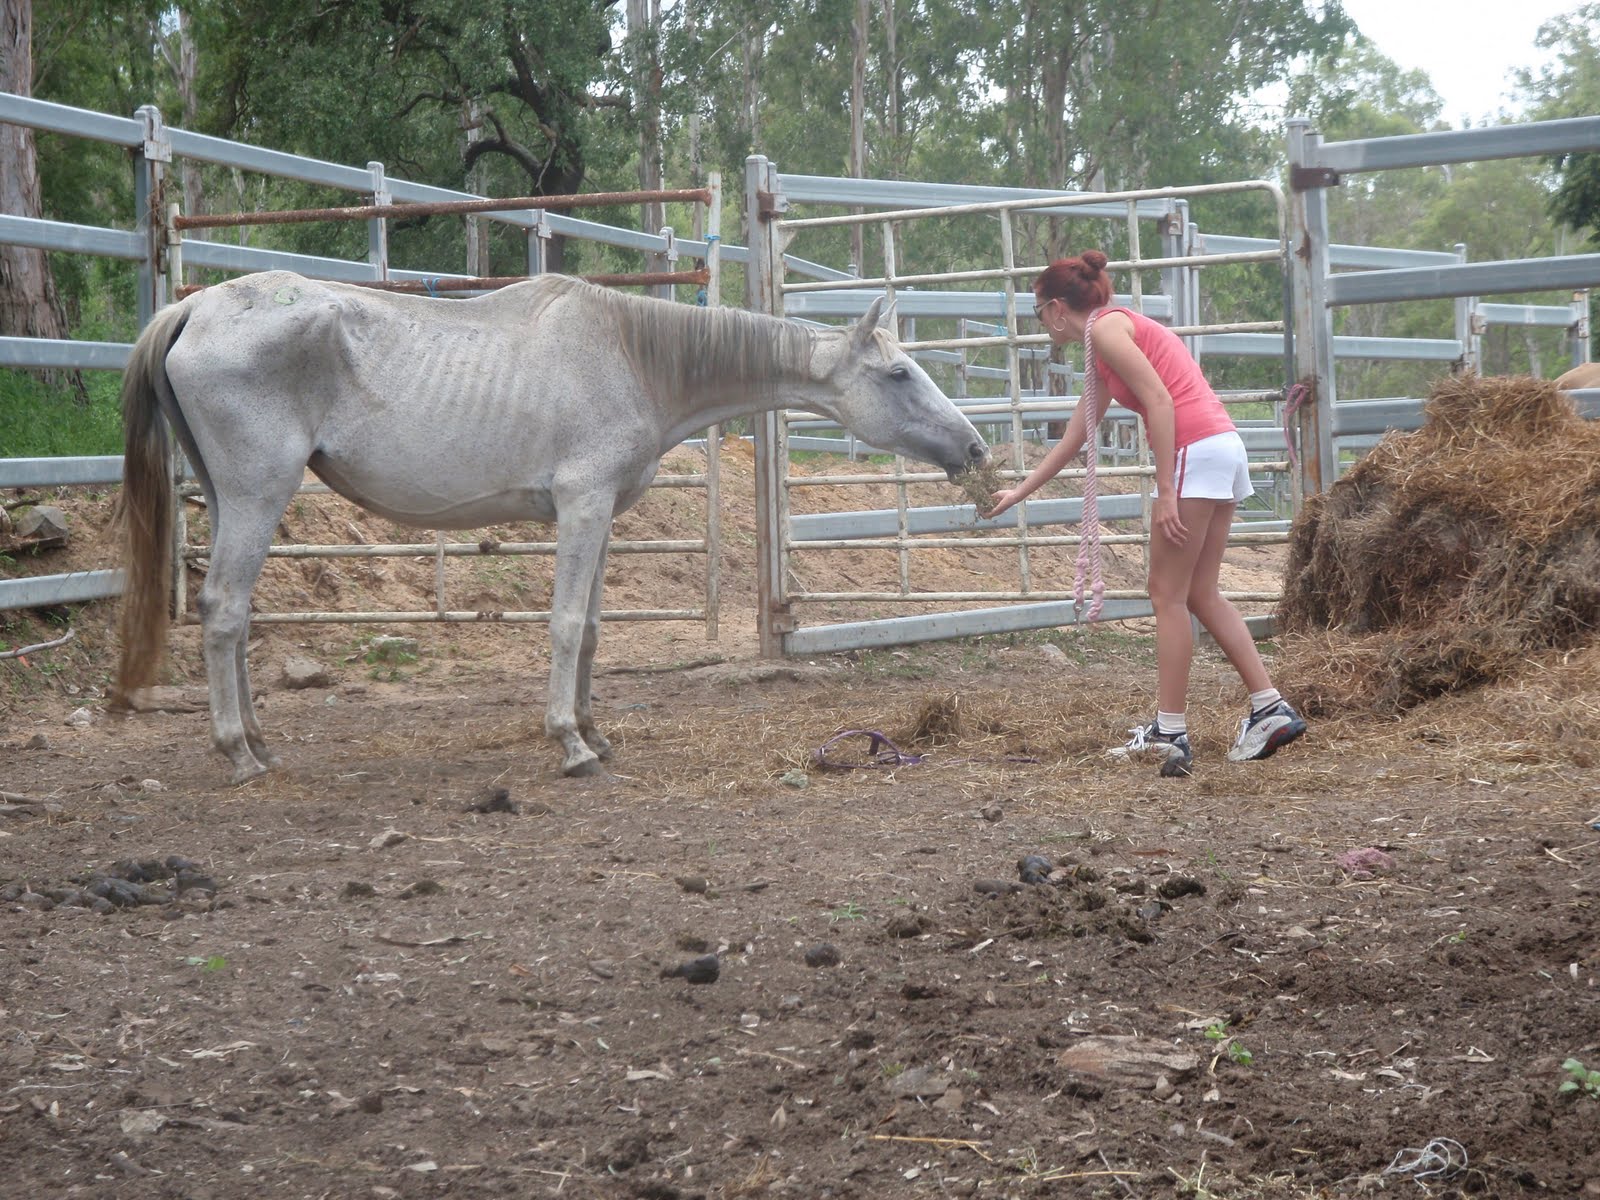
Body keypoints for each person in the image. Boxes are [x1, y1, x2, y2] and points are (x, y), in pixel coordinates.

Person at [983, 250, 1305, 775]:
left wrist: (1165, 490)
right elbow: (1076, 434)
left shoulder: (1109, 330)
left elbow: (1159, 401)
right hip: (1220, 446)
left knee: (1166, 594)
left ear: (1058, 308)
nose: (1041, 324)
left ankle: (1170, 732)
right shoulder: (1103, 343)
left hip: (1191, 452)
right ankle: (1269, 708)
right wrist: (1019, 492)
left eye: (1039, 313)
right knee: (1199, 592)